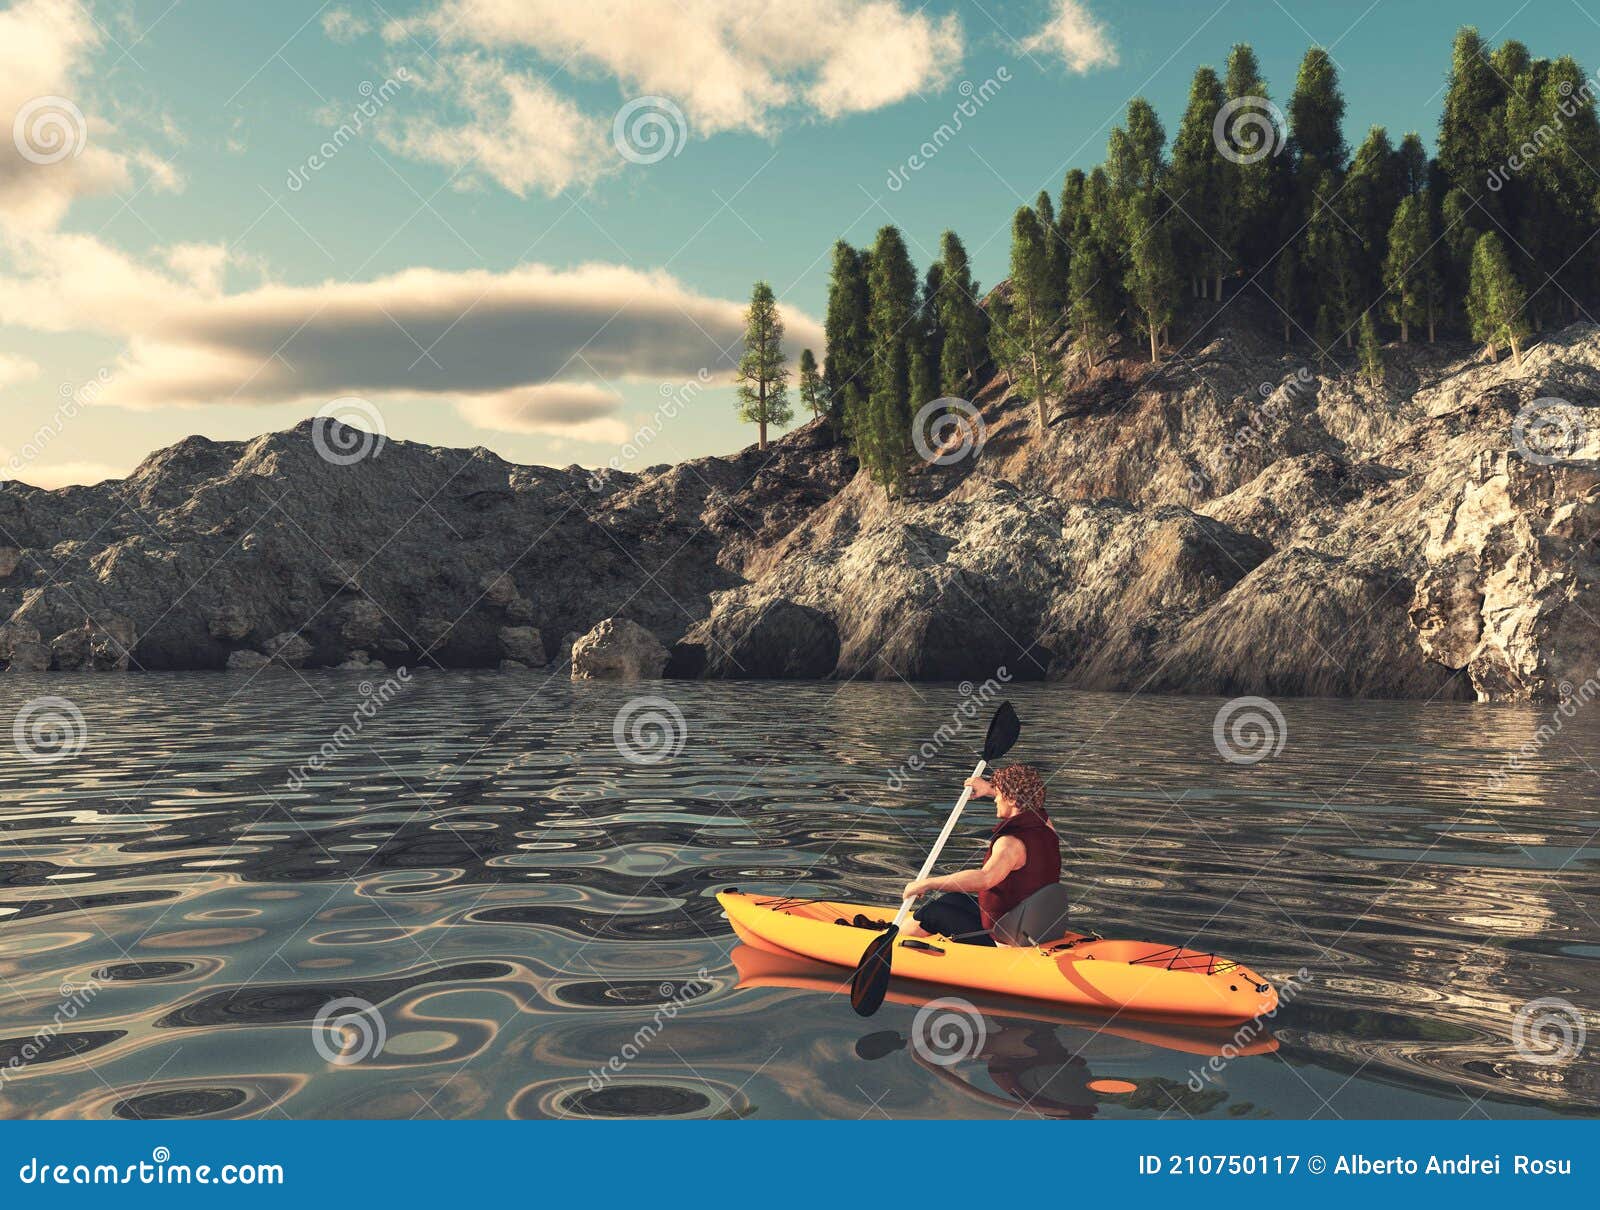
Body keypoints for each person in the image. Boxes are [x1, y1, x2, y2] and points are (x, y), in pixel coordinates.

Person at [902, 764, 1062, 947]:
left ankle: (891, 944)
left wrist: (927, 883)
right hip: (1032, 928)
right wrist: (989, 789)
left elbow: (984, 879)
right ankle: (898, 931)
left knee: (934, 912)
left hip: (1007, 940)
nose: (996, 800)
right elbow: (1025, 800)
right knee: (953, 899)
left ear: (1011, 799)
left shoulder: (1011, 843)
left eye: (999, 795)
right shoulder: (1046, 827)